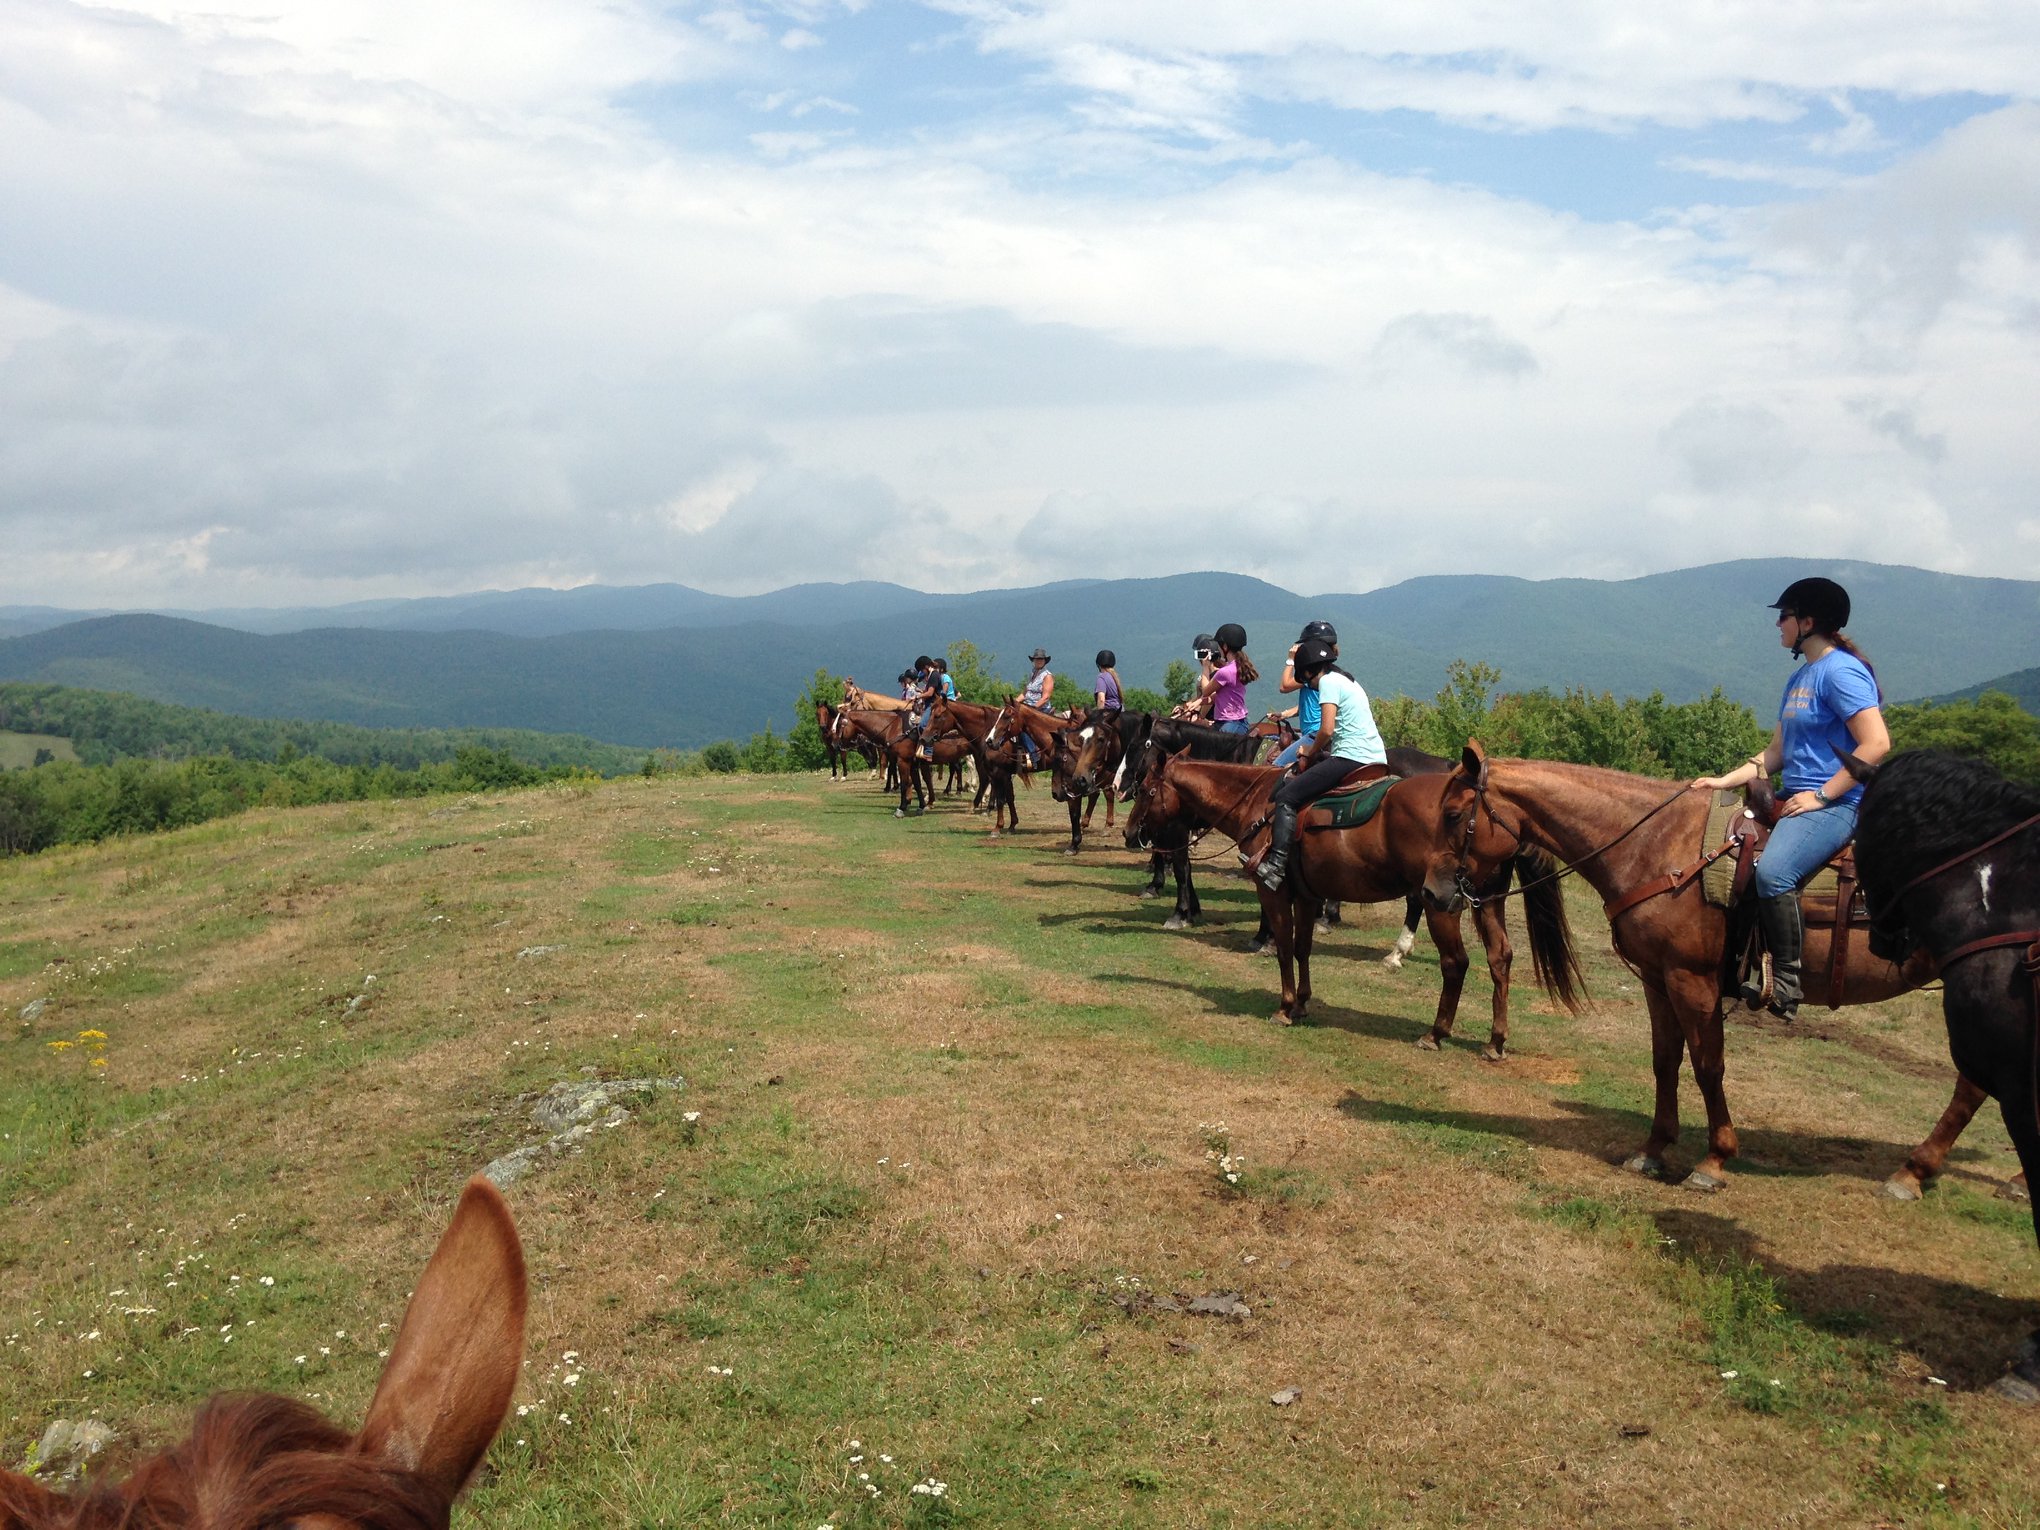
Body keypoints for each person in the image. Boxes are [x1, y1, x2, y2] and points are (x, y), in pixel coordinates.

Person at [1688, 576, 1890, 1019]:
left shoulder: (1841, 672)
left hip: (1838, 805)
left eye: (1784, 616)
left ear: (1808, 622)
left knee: (1774, 873)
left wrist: (1822, 795)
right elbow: (1776, 753)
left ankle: (1786, 982)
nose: (1778, 624)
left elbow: (1875, 745)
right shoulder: (1801, 677)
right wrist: (1722, 781)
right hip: (1794, 797)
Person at [1255, 637, 1387, 891]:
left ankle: (1275, 867)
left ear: (1307, 671)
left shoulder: (1327, 682)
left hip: (1350, 756)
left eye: (1306, 680)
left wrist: (1309, 751)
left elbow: (1326, 730)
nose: (1309, 685)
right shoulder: (1348, 680)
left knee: (1287, 796)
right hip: (1376, 756)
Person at [1269, 621, 1338, 768]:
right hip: (1312, 732)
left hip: (1315, 734)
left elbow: (1284, 686)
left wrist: (1291, 660)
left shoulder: (1315, 674)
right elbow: (1309, 704)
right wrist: (1284, 714)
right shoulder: (1328, 672)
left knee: (1275, 767)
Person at [1184, 623, 1256, 734]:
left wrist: (1205, 668)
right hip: (1239, 722)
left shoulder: (1225, 672)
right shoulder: (1237, 667)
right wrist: (1198, 702)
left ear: (1225, 647)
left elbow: (1206, 691)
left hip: (1228, 724)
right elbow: (1218, 696)